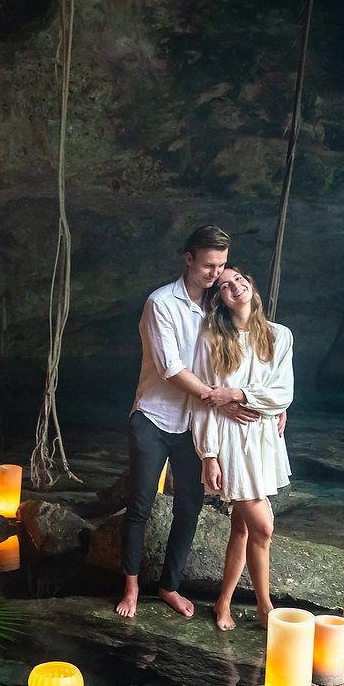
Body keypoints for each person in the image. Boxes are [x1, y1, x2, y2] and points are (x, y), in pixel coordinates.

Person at [116, 224, 245, 619]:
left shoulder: (218, 303)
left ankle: (169, 586)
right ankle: (131, 587)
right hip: (154, 417)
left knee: (189, 509)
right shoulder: (161, 303)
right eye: (208, 265)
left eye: (221, 266)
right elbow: (171, 370)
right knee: (140, 506)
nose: (214, 274)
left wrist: (267, 400)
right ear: (188, 258)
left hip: (195, 425)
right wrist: (220, 398)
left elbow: (247, 349)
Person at [190, 266, 294, 629]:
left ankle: (223, 603)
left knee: (243, 529)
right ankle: (265, 608)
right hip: (231, 439)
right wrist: (209, 454)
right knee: (263, 527)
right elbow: (202, 400)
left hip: (265, 439)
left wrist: (237, 393)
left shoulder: (280, 336)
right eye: (224, 285)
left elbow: (283, 392)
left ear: (250, 284)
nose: (234, 287)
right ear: (218, 298)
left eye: (239, 279)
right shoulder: (212, 339)